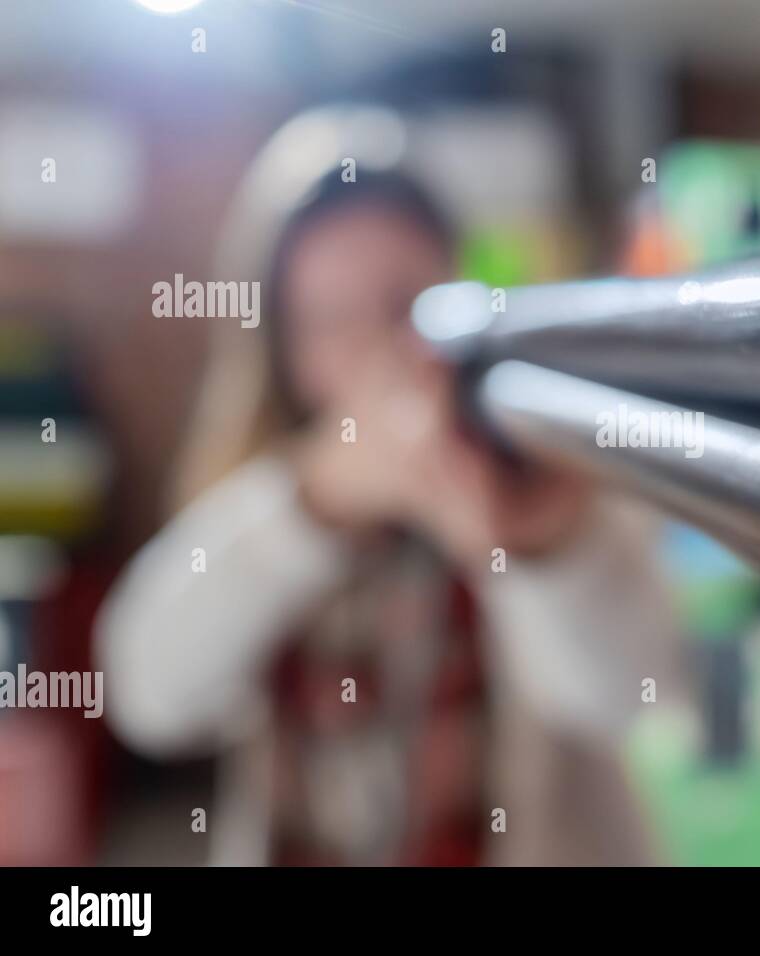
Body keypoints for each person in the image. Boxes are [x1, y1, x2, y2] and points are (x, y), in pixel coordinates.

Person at [95, 106, 679, 865]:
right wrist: (316, 506)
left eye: (403, 304)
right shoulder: (261, 492)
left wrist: (541, 549)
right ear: (280, 350)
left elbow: (630, 698)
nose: (374, 352)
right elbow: (149, 696)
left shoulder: (533, 462)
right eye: (328, 319)